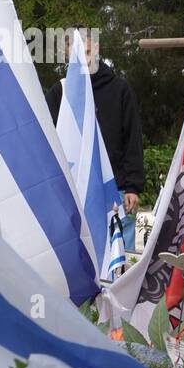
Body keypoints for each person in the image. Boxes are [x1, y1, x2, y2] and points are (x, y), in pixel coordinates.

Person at [46, 30, 145, 250]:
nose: (83, 58)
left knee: (119, 264)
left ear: (97, 49)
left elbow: (133, 140)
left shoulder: (120, 89)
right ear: (66, 55)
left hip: (116, 191)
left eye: (87, 51)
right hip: (73, 194)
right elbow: (46, 143)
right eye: (76, 54)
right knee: (79, 262)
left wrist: (132, 187)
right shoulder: (59, 93)